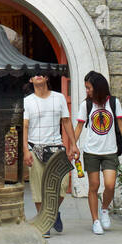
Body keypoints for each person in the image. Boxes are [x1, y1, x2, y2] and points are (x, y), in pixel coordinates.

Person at [74, 71, 122, 235]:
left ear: (98, 88)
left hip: (110, 151)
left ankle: (105, 209)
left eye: (89, 88)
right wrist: (73, 146)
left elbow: (121, 125)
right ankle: (95, 221)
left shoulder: (113, 102)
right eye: (86, 88)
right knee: (94, 186)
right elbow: (79, 127)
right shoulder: (86, 105)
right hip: (91, 151)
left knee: (110, 184)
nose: (87, 91)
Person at [23, 72, 79, 234]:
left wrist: (74, 144)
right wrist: (26, 150)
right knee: (38, 187)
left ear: (47, 78)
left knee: (62, 185)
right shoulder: (27, 101)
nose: (38, 76)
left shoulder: (59, 97)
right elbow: (24, 126)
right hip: (35, 147)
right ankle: (44, 221)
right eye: (34, 74)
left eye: (41, 74)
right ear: (30, 79)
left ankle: (52, 213)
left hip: (56, 147)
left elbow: (66, 121)